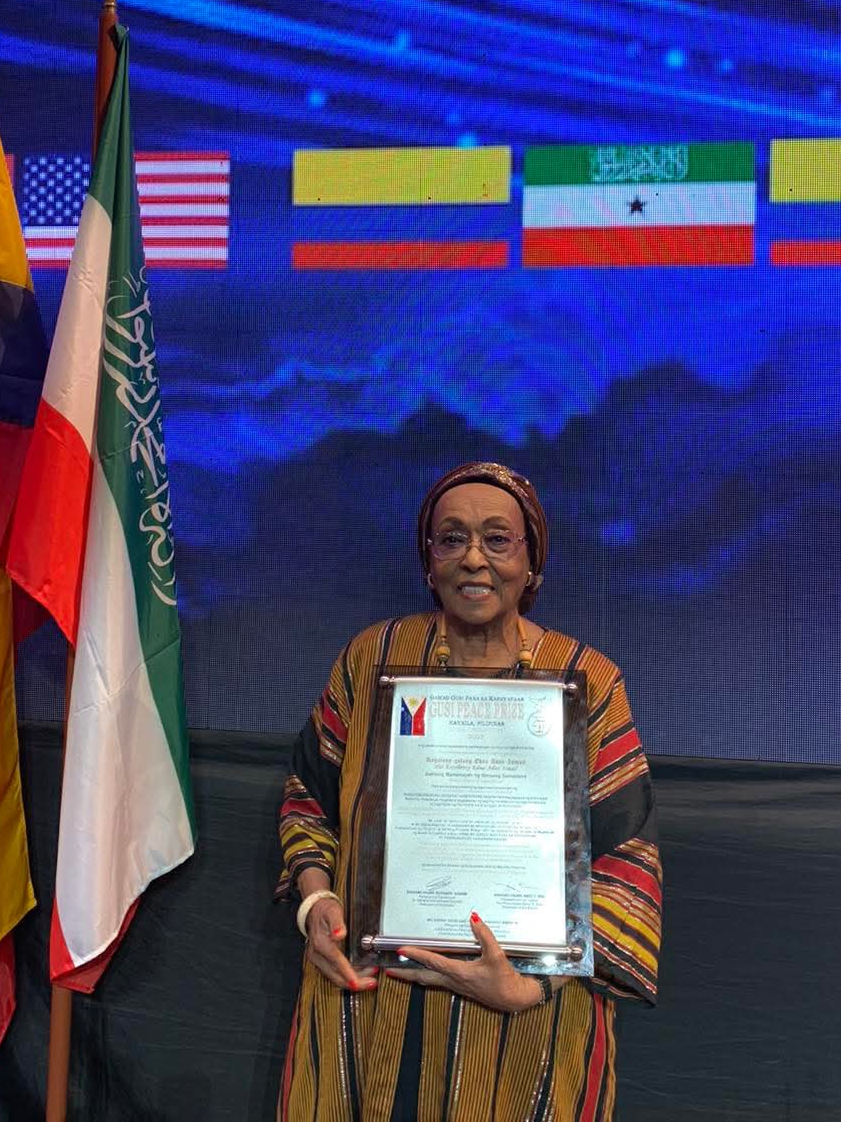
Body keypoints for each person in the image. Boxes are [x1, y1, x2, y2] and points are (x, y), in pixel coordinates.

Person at [276, 461, 661, 1120]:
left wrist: (529, 987)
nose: (473, 559)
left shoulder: (587, 681)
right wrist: (317, 905)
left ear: (532, 559)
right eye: (451, 539)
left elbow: (627, 855)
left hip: (523, 1025)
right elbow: (309, 796)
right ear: (428, 560)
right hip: (368, 1000)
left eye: (497, 539)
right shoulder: (371, 660)